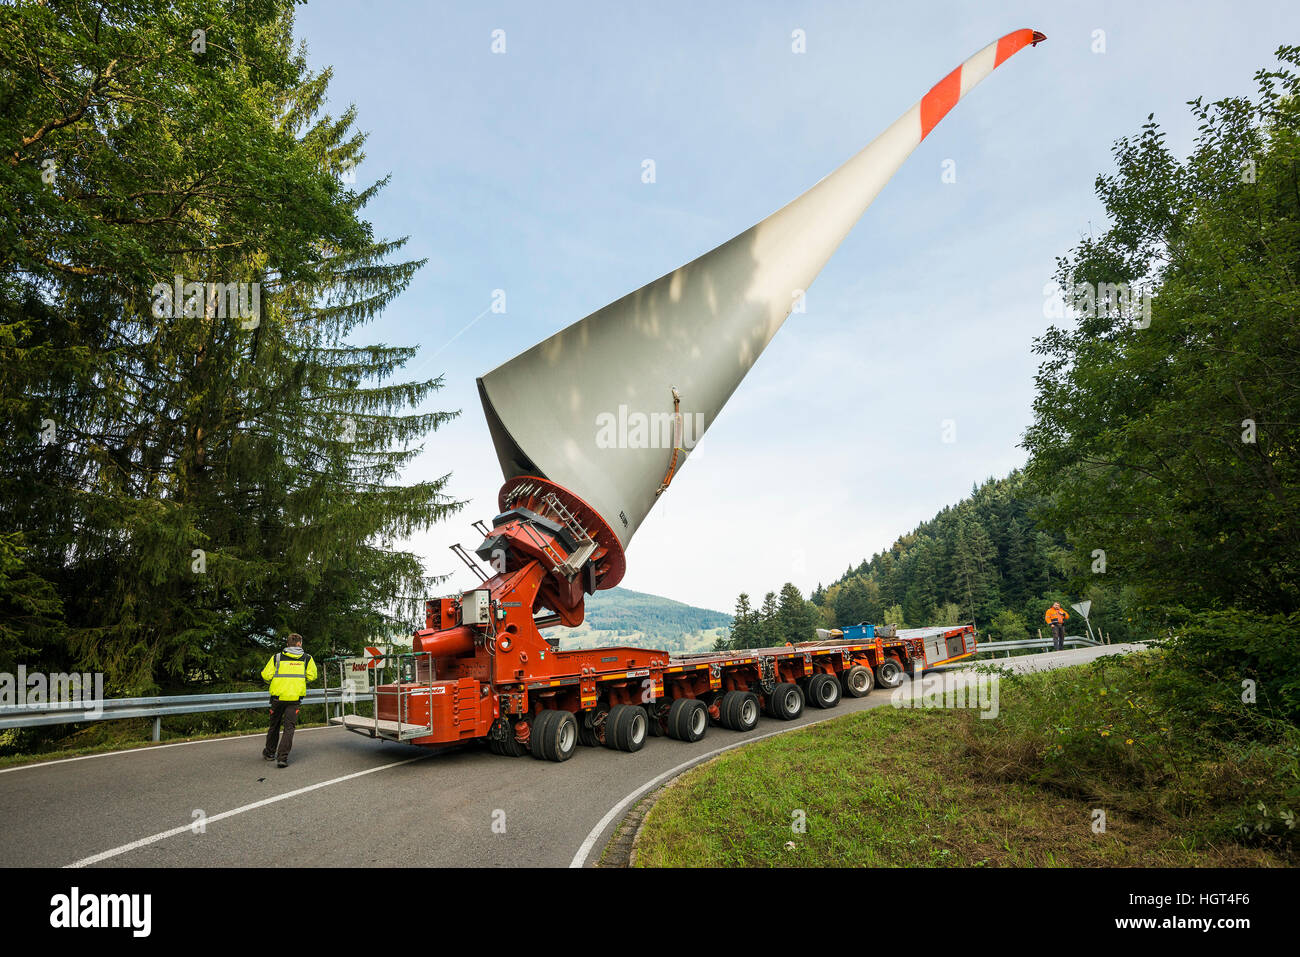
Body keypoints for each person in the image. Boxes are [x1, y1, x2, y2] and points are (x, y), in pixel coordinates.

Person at [261, 632, 317, 768]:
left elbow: (266, 675)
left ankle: (269, 753)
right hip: (294, 699)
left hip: (277, 698)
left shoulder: (277, 658)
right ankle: (282, 758)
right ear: (300, 644)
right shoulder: (307, 658)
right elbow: (313, 676)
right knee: (289, 728)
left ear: (287, 644)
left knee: (274, 726)